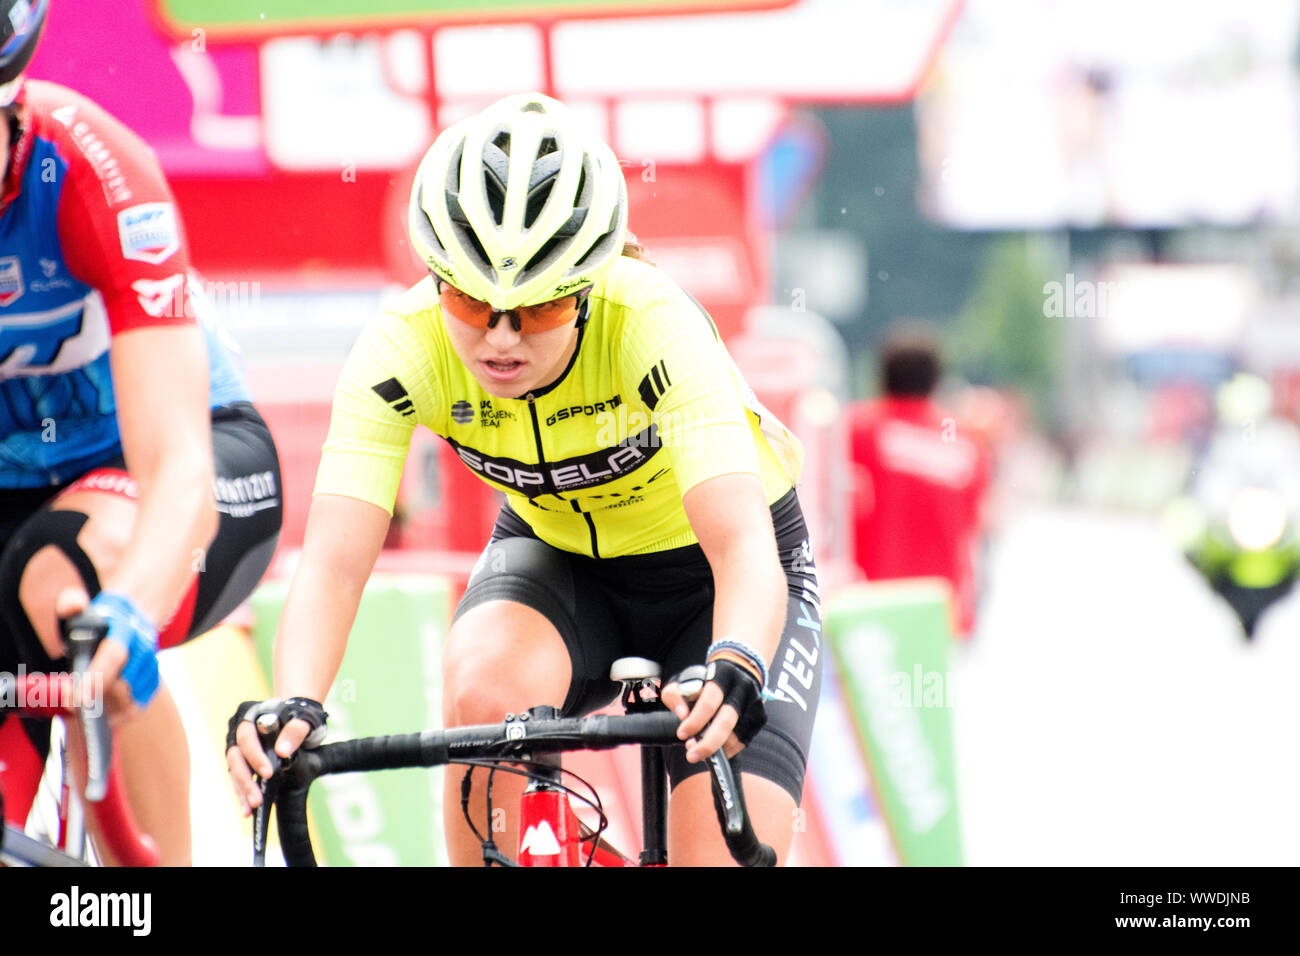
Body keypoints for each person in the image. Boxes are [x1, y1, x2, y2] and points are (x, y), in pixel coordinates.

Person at [227, 92, 822, 866]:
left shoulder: (650, 320)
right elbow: (336, 563)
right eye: (470, 300)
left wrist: (738, 659)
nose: (499, 338)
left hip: (716, 580)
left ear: (584, 289)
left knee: (721, 851)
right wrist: (293, 701)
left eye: (536, 311)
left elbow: (743, 547)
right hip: (558, 558)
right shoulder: (400, 349)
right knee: (482, 693)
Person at [0, 0, 282, 864]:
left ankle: (147, 885)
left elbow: (178, 472)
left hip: (185, 470)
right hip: (19, 493)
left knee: (65, 585)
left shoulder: (96, 168)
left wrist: (128, 610)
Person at [848, 323, 989, 639]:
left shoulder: (857, 430)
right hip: (939, 605)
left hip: (868, 601)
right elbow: (975, 524)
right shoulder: (966, 444)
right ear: (936, 380)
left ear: (882, 377)